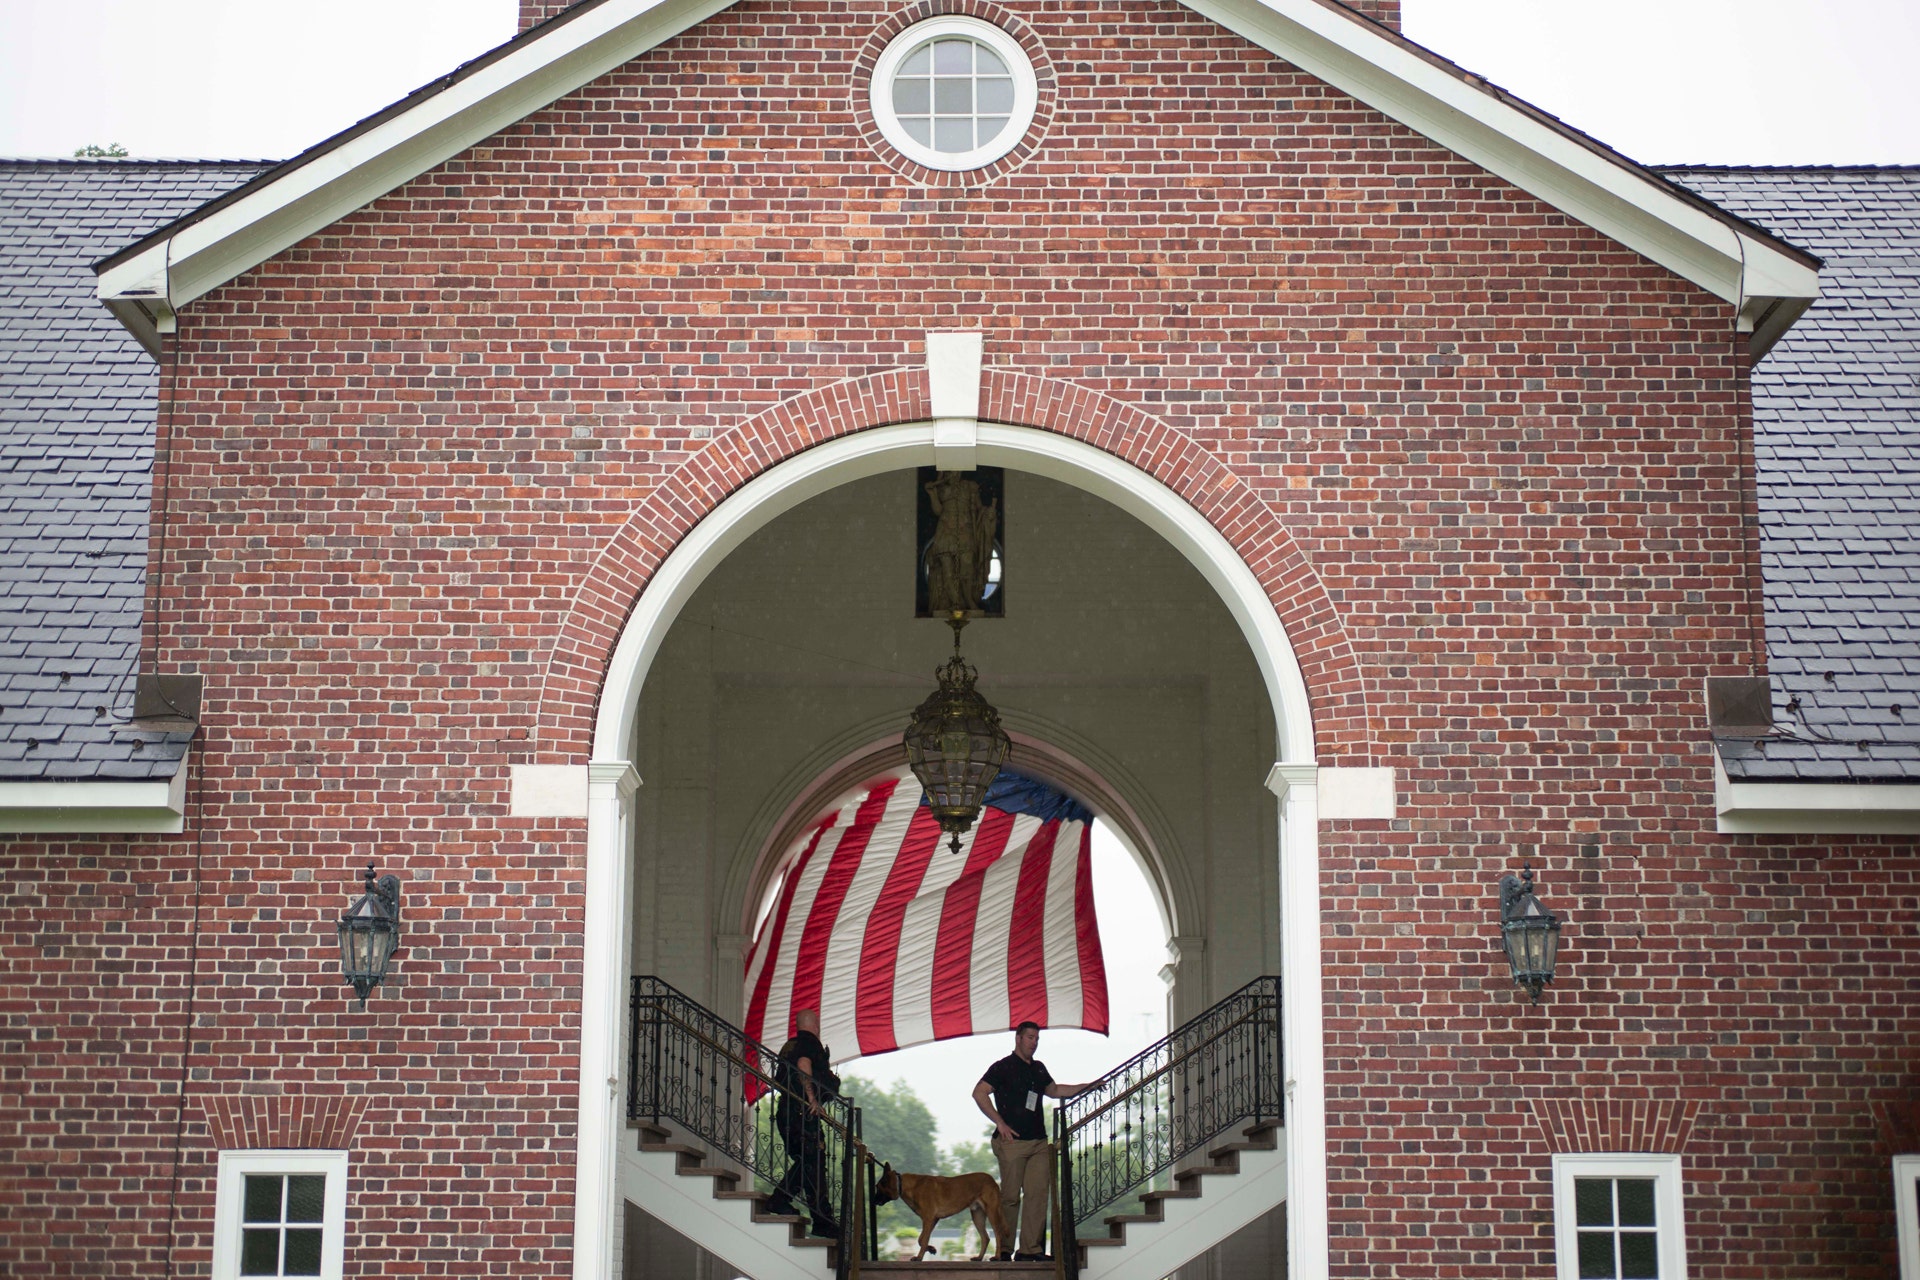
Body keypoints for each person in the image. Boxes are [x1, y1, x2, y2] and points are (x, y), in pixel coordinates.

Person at [971, 1020, 1092, 1262]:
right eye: (1030, 1038)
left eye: (1037, 1039)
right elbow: (979, 1092)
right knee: (1010, 1196)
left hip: (1038, 1142)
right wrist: (1000, 1123)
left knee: (1037, 1195)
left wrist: (1087, 1086)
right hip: (1012, 1142)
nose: (1034, 1043)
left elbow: (1055, 1090)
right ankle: (1003, 1249)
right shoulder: (1002, 1067)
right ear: (1018, 1038)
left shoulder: (1038, 1068)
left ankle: (1030, 1250)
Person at [767, 1008, 840, 1238]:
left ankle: (821, 1220)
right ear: (815, 1025)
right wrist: (813, 1099)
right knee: (811, 1159)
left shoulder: (790, 1044)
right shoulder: (809, 1043)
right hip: (801, 1113)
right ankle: (780, 1200)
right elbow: (803, 1065)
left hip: (788, 1112)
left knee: (812, 1163)